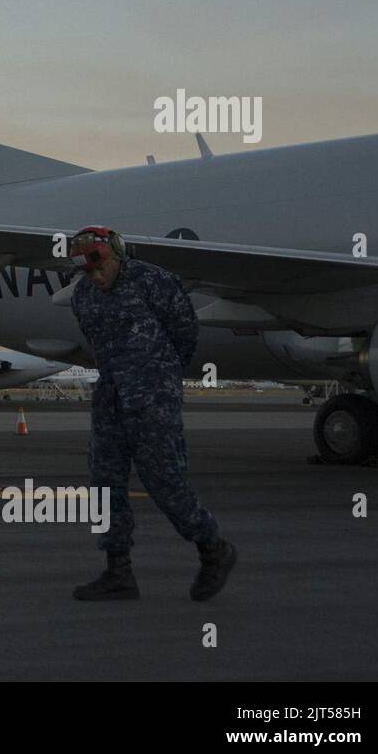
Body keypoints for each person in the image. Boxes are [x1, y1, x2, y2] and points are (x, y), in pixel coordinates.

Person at [68, 226, 236, 601]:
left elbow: (185, 332)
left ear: (117, 253)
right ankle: (118, 572)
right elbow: (95, 342)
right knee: (105, 483)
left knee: (165, 481)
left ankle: (214, 549)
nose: (96, 277)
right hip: (111, 398)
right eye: (87, 272)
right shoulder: (83, 296)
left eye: (100, 267)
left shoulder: (154, 281)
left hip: (153, 398)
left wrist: (160, 376)